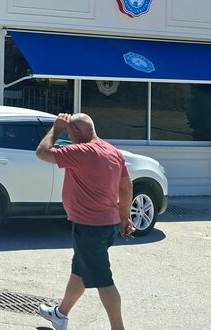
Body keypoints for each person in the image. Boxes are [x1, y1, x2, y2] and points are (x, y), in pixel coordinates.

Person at [35, 112, 134, 330]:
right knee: (79, 272)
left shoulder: (82, 151)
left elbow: (42, 152)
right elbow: (126, 187)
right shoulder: (113, 152)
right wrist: (124, 217)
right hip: (106, 226)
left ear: (78, 133)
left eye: (70, 133)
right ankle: (60, 315)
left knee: (104, 281)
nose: (68, 138)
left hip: (90, 228)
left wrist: (56, 128)